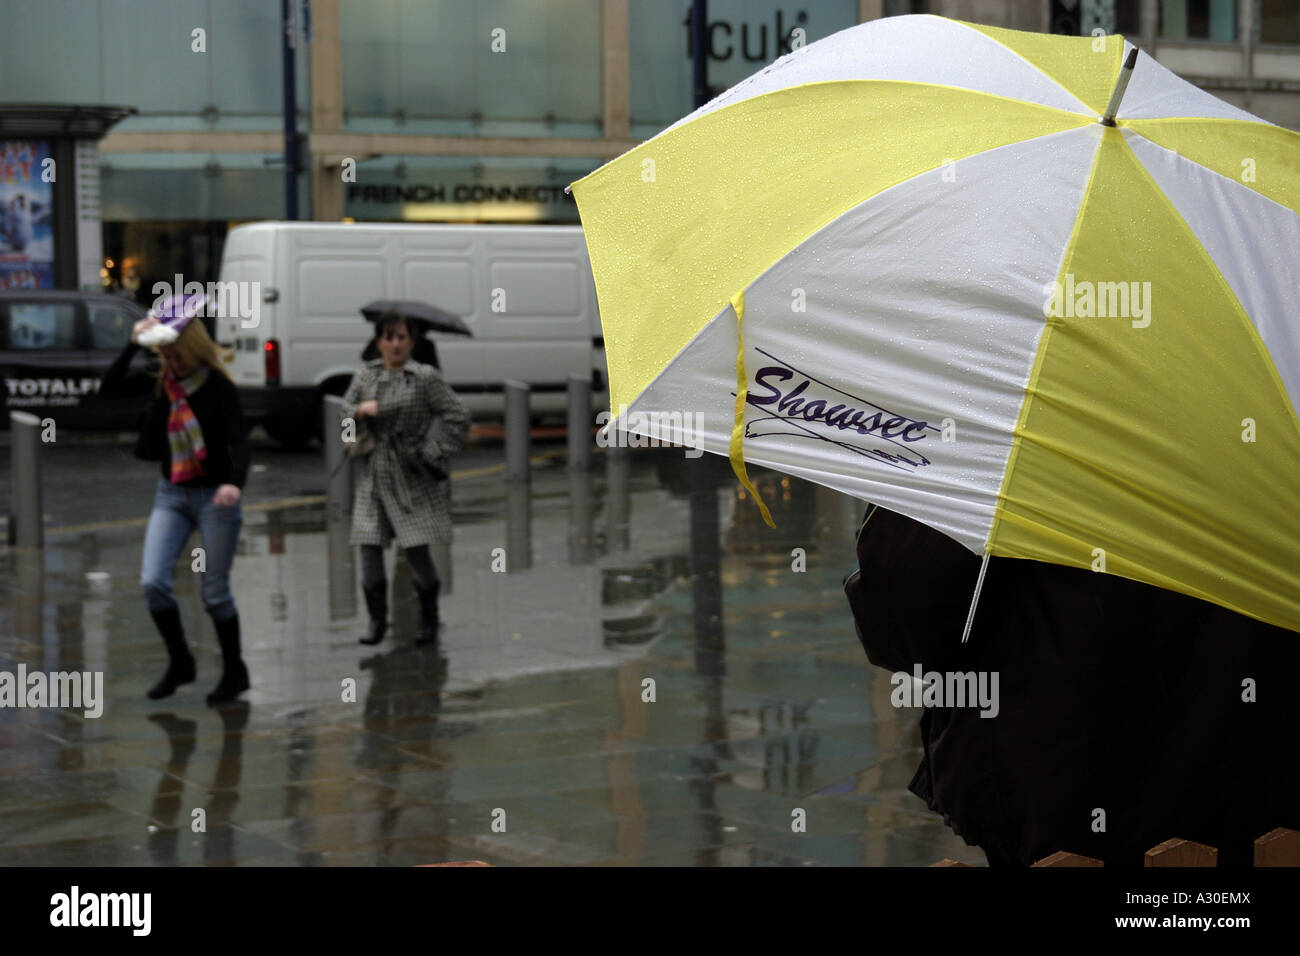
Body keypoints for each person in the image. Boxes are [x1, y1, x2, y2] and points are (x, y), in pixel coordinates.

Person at [844, 504, 1300, 867]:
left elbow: (907, 612)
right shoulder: (1268, 407)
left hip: (1061, 787)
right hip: (1260, 775)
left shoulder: (1008, 405)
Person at [100, 293, 252, 704]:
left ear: (194, 347)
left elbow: (240, 440)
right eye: (165, 351)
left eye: (178, 352)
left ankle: (235, 672)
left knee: (214, 593)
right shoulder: (162, 383)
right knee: (153, 582)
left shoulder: (217, 386)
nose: (172, 359)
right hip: (171, 493)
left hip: (215, 497)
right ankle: (181, 661)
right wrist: (135, 343)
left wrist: (234, 483)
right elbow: (108, 388)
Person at [342, 312, 470, 647]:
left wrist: (433, 450)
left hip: (412, 472)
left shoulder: (425, 377)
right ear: (379, 341)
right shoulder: (365, 377)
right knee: (368, 547)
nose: (395, 344)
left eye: (401, 337)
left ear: (411, 341)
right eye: (389, 337)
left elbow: (457, 416)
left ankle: (429, 621)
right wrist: (358, 414)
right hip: (374, 473)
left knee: (417, 551)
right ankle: (376, 622)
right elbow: (343, 424)